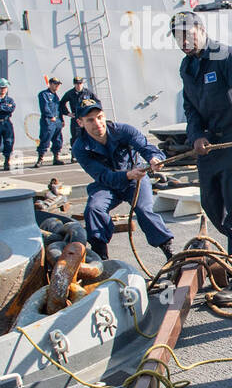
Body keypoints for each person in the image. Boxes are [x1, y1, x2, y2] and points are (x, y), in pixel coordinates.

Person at [173, 10, 232, 303]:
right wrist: (196, 135)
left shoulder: (226, 56)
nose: (183, 41)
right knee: (211, 203)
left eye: (187, 34)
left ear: (201, 31)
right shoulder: (187, 67)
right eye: (177, 37)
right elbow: (191, 108)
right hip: (212, 144)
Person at [72, 104, 175, 264]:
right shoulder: (80, 147)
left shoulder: (123, 131)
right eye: (90, 120)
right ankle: (101, 256)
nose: (97, 123)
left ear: (104, 116)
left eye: (99, 117)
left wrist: (154, 158)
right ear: (80, 123)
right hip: (107, 184)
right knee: (94, 209)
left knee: (144, 209)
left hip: (136, 180)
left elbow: (146, 147)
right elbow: (102, 175)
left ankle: (169, 251)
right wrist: (126, 175)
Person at [60, 75, 100, 147]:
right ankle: (75, 152)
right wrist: (67, 113)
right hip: (76, 118)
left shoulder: (88, 92)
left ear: (82, 83)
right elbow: (62, 103)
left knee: (89, 134)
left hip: (86, 117)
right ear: (74, 84)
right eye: (76, 84)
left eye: (80, 83)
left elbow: (97, 102)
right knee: (76, 136)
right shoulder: (70, 93)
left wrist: (94, 114)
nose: (78, 85)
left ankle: (90, 151)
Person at [36, 76, 65, 167]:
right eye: (55, 84)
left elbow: (59, 109)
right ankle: (40, 159)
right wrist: (50, 116)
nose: (57, 86)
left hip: (57, 121)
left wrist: (62, 120)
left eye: (58, 84)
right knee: (45, 139)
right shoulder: (44, 94)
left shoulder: (56, 96)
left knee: (58, 140)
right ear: (50, 84)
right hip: (48, 121)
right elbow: (44, 107)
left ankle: (56, 158)